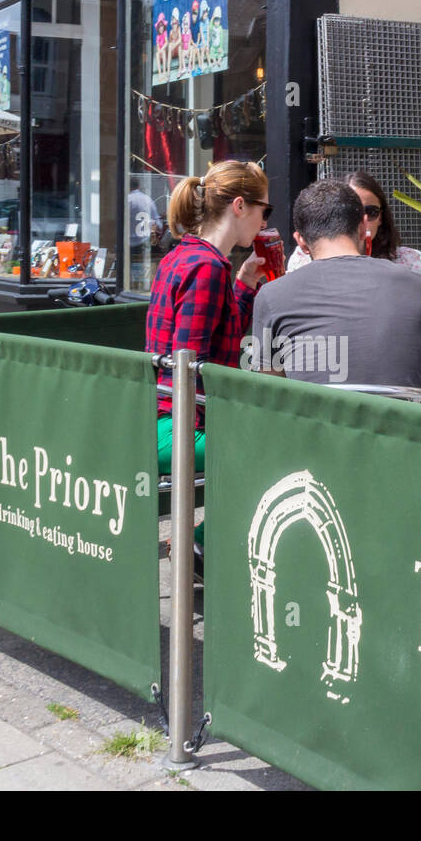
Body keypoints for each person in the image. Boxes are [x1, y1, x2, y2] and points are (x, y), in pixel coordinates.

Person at [146, 160, 269, 568]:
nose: (265, 221)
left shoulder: (186, 257)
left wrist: (246, 283)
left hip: (162, 417)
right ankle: (199, 547)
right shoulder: (208, 266)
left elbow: (208, 334)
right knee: (274, 449)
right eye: (263, 210)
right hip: (175, 427)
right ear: (239, 206)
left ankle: (201, 545)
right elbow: (190, 366)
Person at [253, 180, 421, 387]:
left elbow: (270, 387)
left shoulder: (272, 296)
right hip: (402, 424)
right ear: (362, 227)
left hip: (318, 424)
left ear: (301, 242)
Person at [285, 170, 421, 275]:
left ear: (381, 218)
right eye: (351, 212)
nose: (361, 220)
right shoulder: (305, 257)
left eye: (371, 212)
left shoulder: (409, 260)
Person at [126, 179, 164, 288]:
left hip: (129, 244)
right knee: (145, 274)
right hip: (144, 243)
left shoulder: (127, 200)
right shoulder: (147, 200)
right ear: (138, 186)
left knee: (128, 279)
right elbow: (159, 225)